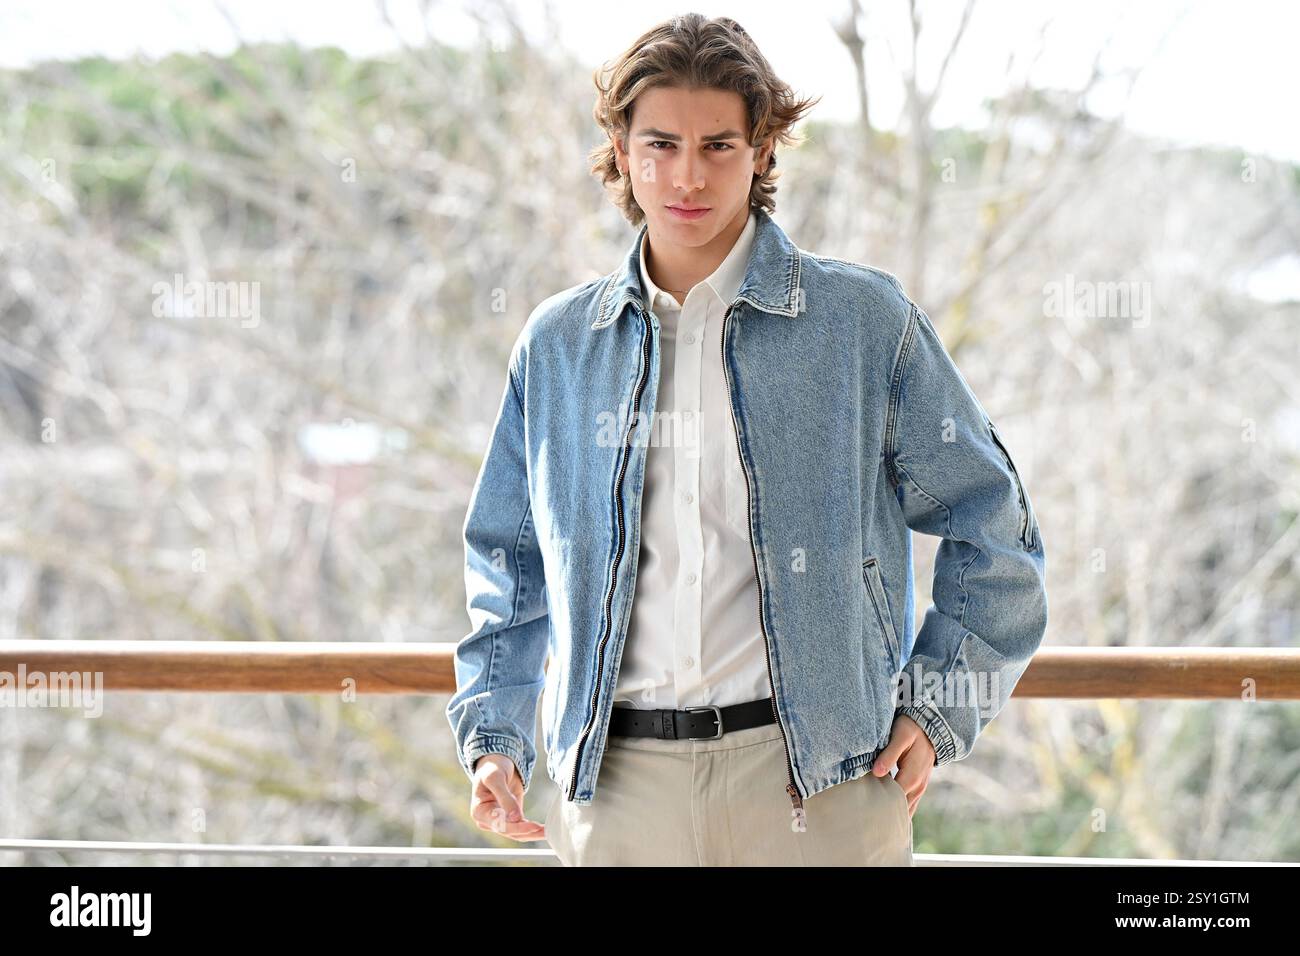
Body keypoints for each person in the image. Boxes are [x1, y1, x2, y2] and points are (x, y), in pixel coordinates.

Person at [447, 13, 1048, 866]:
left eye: (719, 145)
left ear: (763, 149)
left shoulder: (863, 325)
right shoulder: (558, 346)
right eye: (660, 143)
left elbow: (1001, 534)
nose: (687, 175)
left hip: (822, 785)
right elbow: (508, 563)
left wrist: (938, 707)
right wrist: (494, 736)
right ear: (621, 150)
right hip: (616, 794)